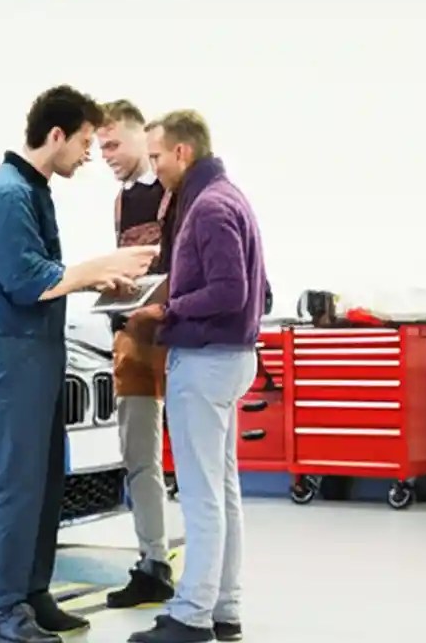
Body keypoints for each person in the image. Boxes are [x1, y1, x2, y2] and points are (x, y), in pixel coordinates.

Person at [0, 85, 159, 643]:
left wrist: (100, 278)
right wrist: (100, 266)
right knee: (16, 484)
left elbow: (46, 276)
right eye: (83, 143)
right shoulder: (5, 195)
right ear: (56, 135)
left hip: (39, 354)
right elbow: (28, 281)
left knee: (46, 480)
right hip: (13, 356)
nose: (90, 155)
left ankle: (30, 593)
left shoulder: (33, 189)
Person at [126, 110, 266, 643]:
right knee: (223, 489)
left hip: (206, 362)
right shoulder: (232, 198)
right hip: (231, 360)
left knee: (202, 494)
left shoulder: (206, 208)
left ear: (182, 152)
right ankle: (223, 607)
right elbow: (258, 290)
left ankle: (191, 616)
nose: (154, 166)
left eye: (157, 156)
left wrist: (167, 310)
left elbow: (229, 291)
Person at [96, 100, 177, 609]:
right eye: (99, 147)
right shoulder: (121, 203)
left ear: (139, 136)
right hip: (134, 343)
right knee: (139, 460)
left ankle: (209, 585)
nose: (105, 155)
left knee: (194, 464)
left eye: (113, 145)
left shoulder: (177, 190)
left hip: (181, 340)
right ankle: (155, 563)